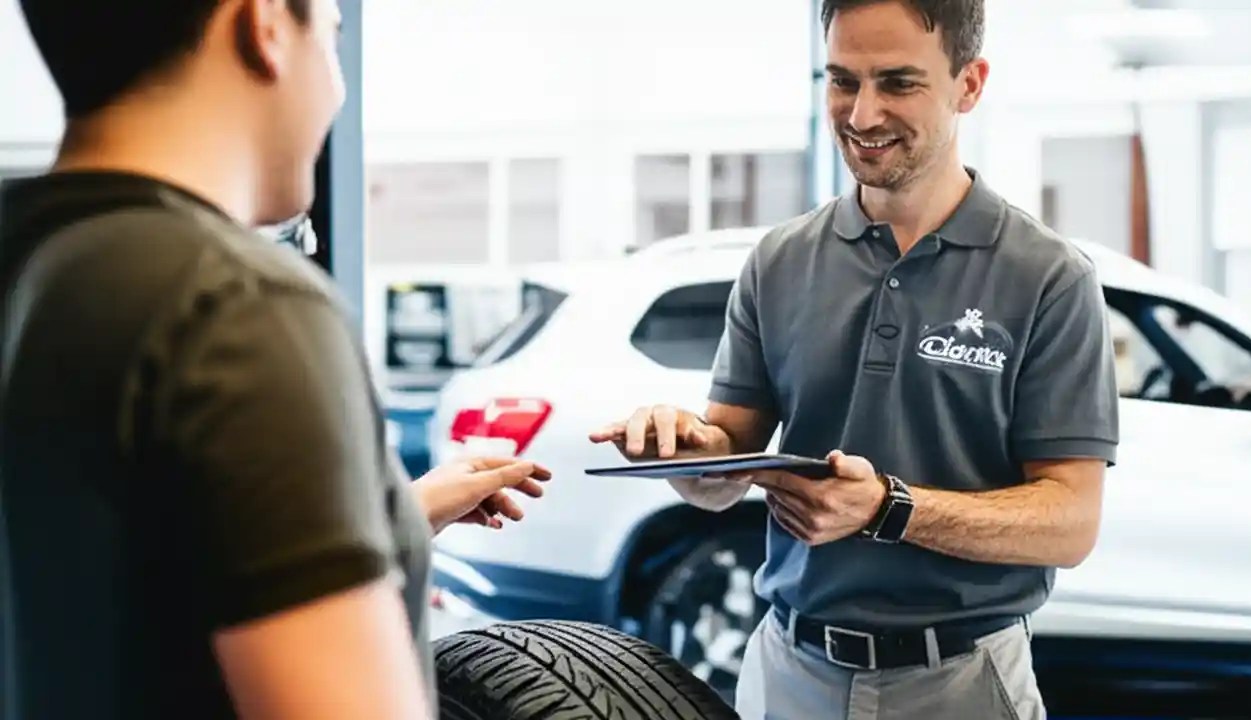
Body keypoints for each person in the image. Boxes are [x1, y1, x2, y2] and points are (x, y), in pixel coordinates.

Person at [0, 1, 550, 718]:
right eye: (332, 36)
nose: (335, 87)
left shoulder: (37, 261)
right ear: (262, 25)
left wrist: (388, 516)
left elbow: (96, 568)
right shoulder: (233, 302)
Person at [589, 1, 1119, 718]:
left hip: (962, 681)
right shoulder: (780, 261)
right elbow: (725, 469)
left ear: (970, 84)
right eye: (842, 81)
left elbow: (1069, 521)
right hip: (788, 671)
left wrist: (887, 508)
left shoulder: (1048, 277)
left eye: (898, 83)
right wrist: (688, 449)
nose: (862, 115)